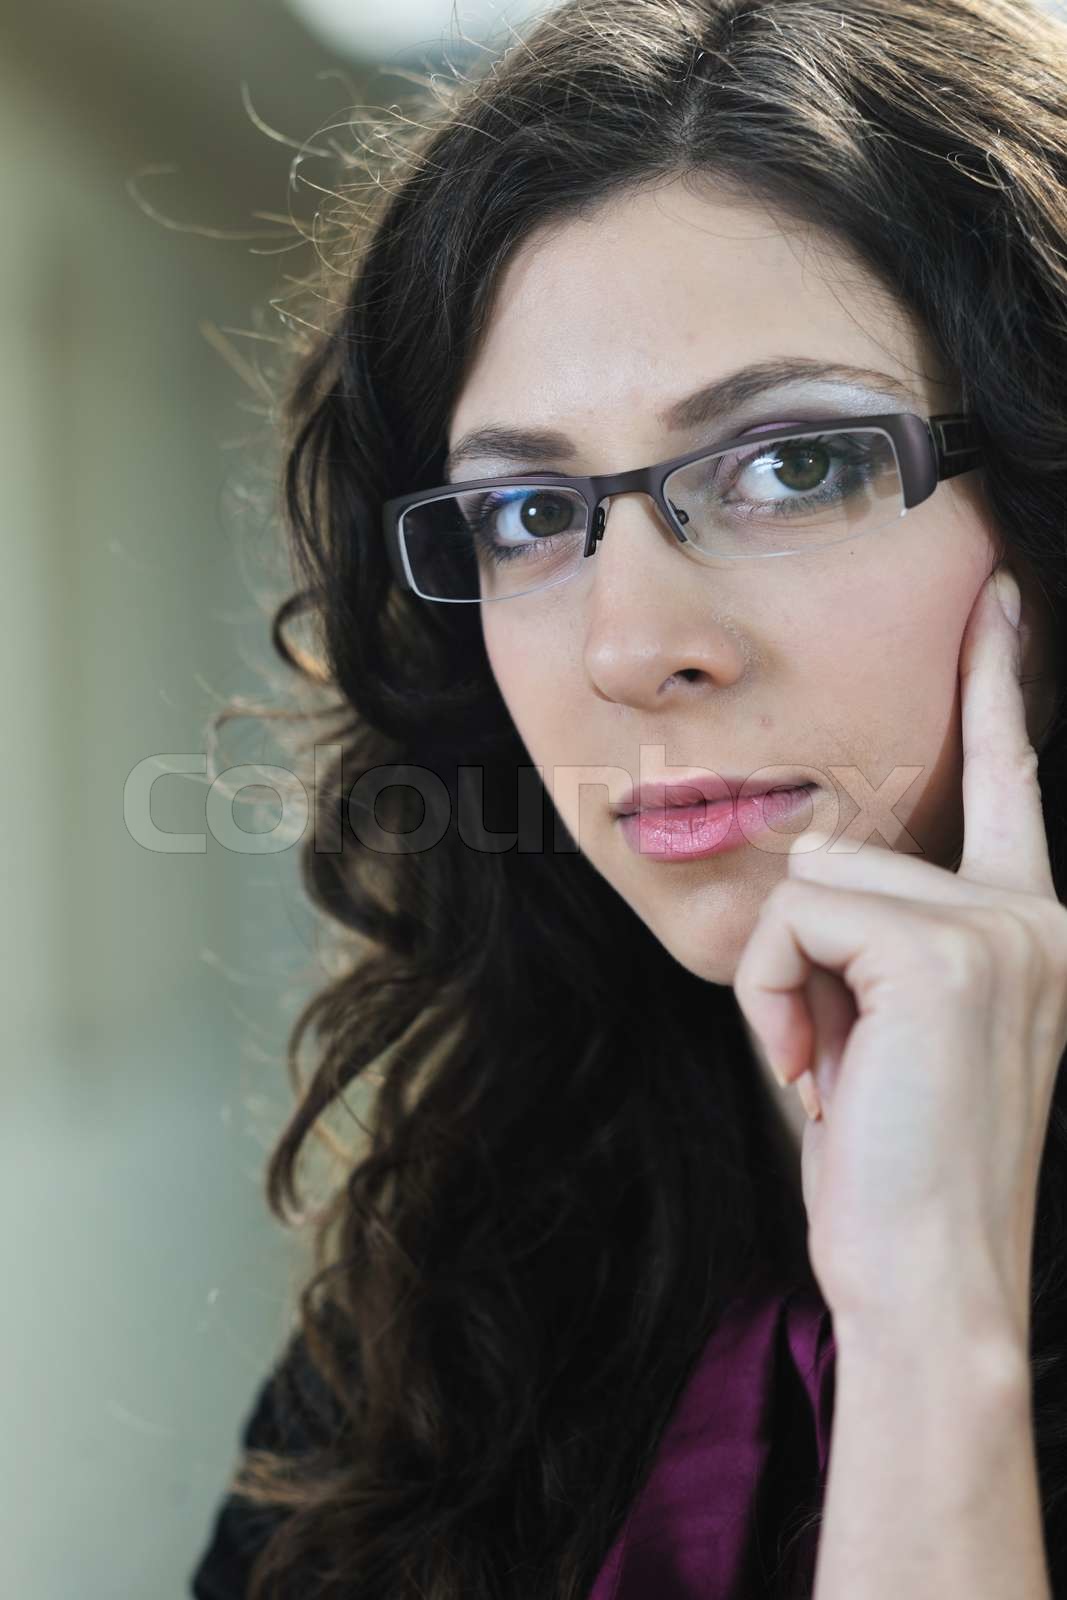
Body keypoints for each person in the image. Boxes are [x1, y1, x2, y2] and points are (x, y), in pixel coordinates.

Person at [188, 0, 1067, 1595]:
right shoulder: (438, 1317)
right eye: (527, 510)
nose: (630, 646)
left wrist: (934, 1321)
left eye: (793, 465)